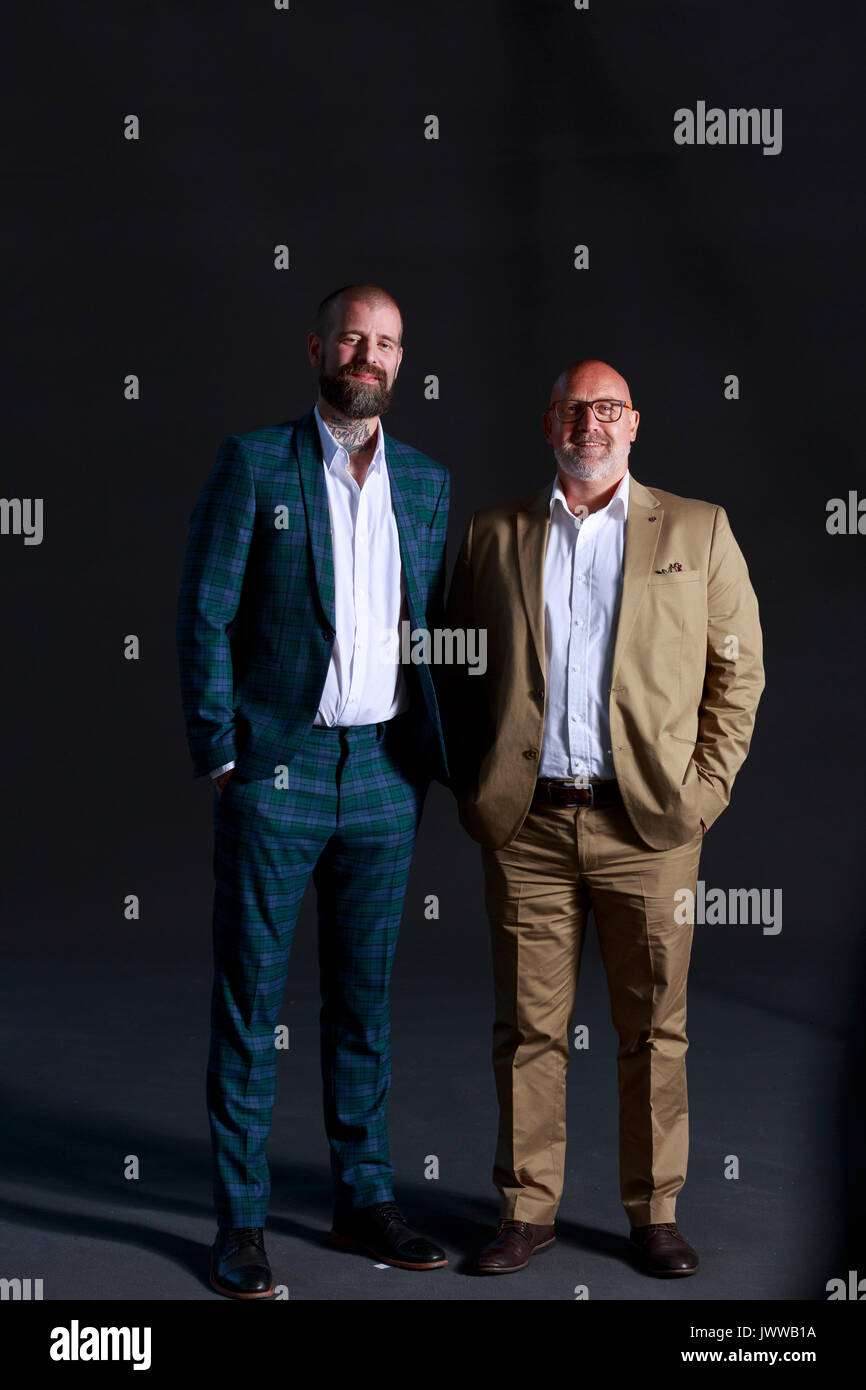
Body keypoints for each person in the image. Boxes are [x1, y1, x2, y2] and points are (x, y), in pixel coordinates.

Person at [441, 358, 764, 1277]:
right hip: (529, 829)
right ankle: (525, 1211)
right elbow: (457, 669)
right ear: (550, 424)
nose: (592, 423)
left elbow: (738, 675)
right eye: (576, 409)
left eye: (609, 408)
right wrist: (477, 785)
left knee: (656, 1028)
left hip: (650, 831)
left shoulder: (697, 531)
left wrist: (700, 796)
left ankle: (653, 1214)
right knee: (527, 1029)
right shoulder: (495, 532)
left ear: (634, 425)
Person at [176, 284, 451, 1298]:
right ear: (316, 349)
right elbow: (203, 614)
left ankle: (362, 1199)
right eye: (352, 337)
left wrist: (432, 753)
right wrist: (221, 749)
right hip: (277, 768)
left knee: (363, 1001)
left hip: (382, 774)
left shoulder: (424, 483)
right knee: (251, 1002)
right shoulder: (255, 463)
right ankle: (241, 1222)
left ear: (398, 362)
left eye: (385, 343)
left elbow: (430, 629)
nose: (367, 356)